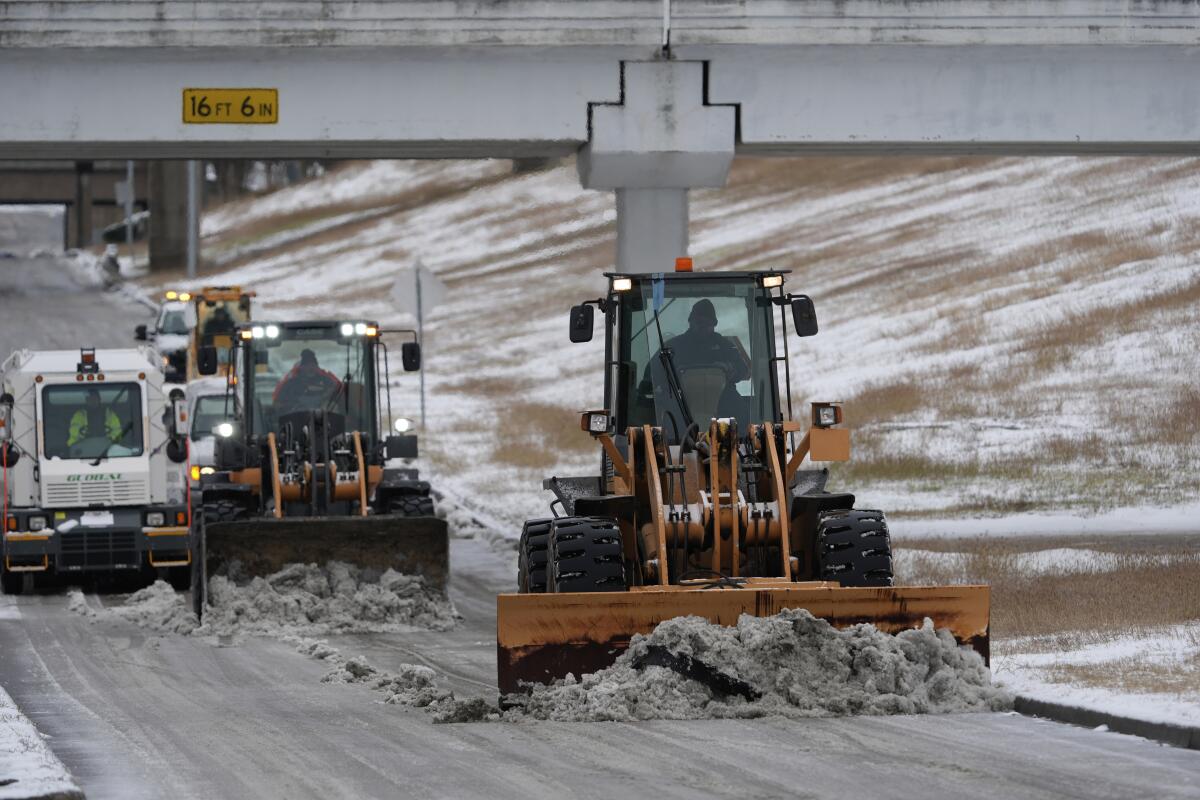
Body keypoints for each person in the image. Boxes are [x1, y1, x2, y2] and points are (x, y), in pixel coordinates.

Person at [273, 349, 342, 411]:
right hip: (297, 417)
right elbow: (279, 403)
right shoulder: (291, 383)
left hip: (324, 417)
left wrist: (327, 396)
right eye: (307, 365)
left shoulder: (326, 380)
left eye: (313, 365)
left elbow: (337, 392)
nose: (310, 368)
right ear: (302, 367)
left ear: (317, 367)